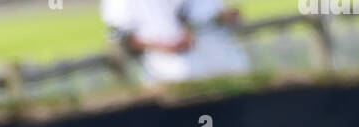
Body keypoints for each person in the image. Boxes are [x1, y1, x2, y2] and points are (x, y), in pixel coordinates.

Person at [102, 0, 250, 85]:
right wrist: (165, 46)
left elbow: (201, 16)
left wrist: (222, 18)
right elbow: (119, 35)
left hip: (222, 65)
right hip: (170, 71)